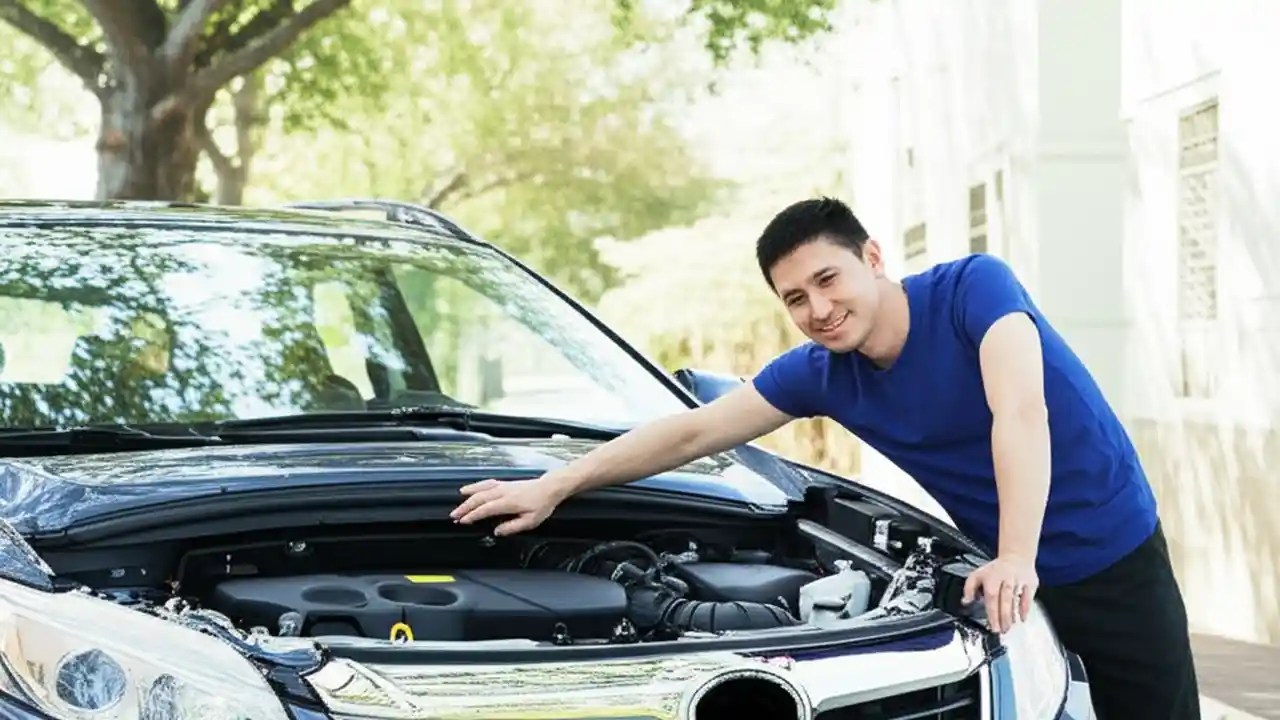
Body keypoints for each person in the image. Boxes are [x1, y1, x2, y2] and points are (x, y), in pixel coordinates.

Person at [451, 197, 1200, 719]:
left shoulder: (976, 289)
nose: (816, 308)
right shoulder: (819, 373)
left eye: (827, 279)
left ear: (872, 257)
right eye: (794, 298)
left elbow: (1020, 413)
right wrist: (556, 484)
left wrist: (1016, 556)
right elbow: (688, 432)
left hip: (1107, 555)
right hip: (1001, 575)